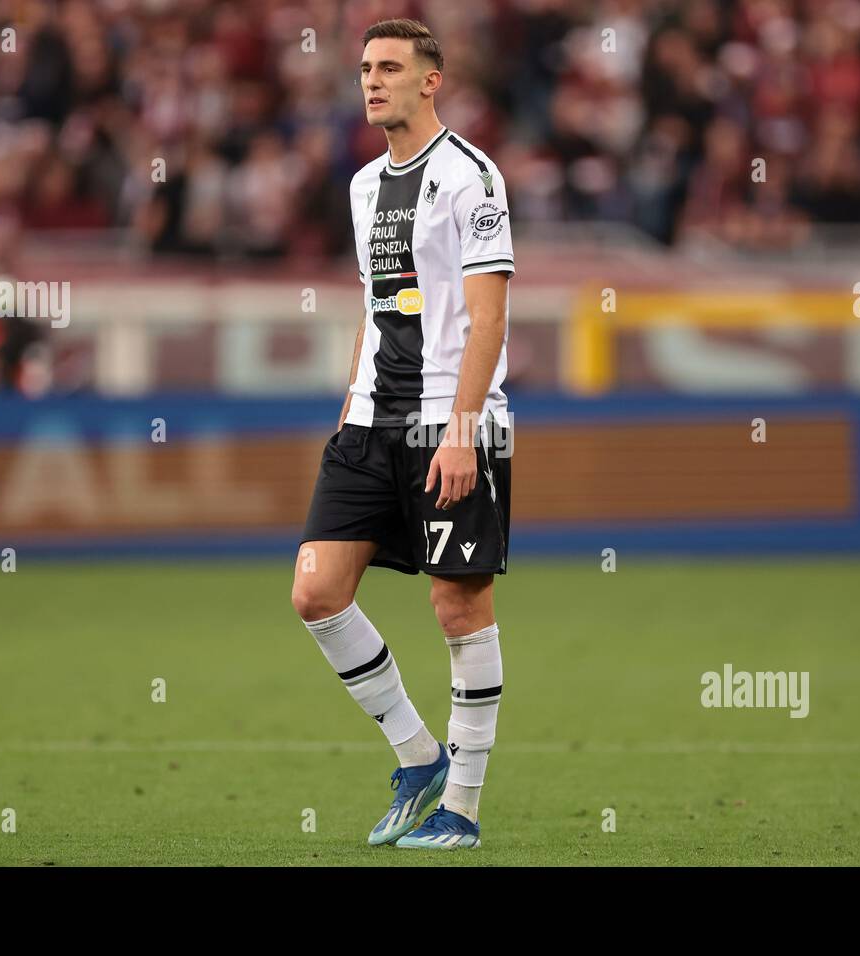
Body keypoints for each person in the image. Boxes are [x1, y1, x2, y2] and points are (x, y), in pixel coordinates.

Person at [291, 18, 515, 850]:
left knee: (457, 604)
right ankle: (417, 756)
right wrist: (347, 406)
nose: (371, 81)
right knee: (316, 591)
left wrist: (462, 432)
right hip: (367, 421)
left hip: (447, 424)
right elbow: (375, 304)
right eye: (363, 69)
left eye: (389, 67)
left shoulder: (471, 178)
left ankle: (460, 807)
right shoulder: (359, 186)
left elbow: (489, 316)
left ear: (432, 80)